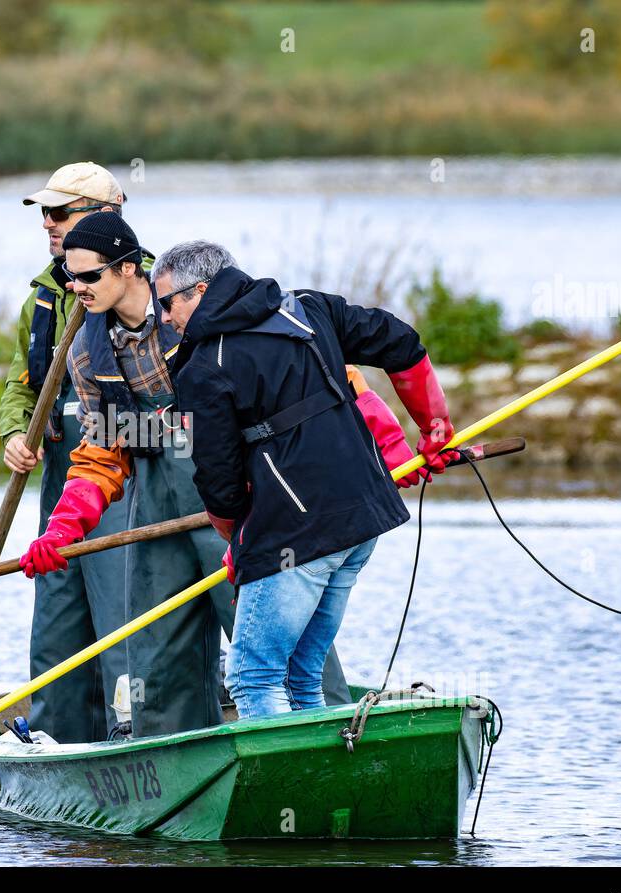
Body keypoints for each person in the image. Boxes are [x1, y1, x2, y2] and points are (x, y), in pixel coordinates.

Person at [157, 240, 458, 719]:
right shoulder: (308, 308)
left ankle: (284, 792)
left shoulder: (204, 366)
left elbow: (218, 479)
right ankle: (318, 783)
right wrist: (435, 427)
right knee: (301, 673)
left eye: (167, 302)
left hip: (297, 536)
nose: (165, 317)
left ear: (201, 291)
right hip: (363, 522)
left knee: (252, 676)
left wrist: (239, 542)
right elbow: (400, 341)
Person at [16, 212, 243, 738]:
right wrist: (63, 527)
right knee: (157, 652)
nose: (78, 289)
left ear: (128, 269)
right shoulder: (86, 351)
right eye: (70, 278)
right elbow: (101, 450)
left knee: (263, 633)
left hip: (230, 502)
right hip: (155, 504)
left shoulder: (189, 315)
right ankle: (170, 759)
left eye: (89, 277)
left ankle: (318, 736)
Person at [0, 162, 130, 743]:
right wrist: (15, 433)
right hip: (58, 478)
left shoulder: (137, 284)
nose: (47, 223)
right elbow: (21, 382)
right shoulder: (44, 297)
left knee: (121, 606)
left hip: (123, 479)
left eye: (60, 212)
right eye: (44, 213)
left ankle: (133, 732)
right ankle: (57, 741)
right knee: (56, 607)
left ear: (103, 217)